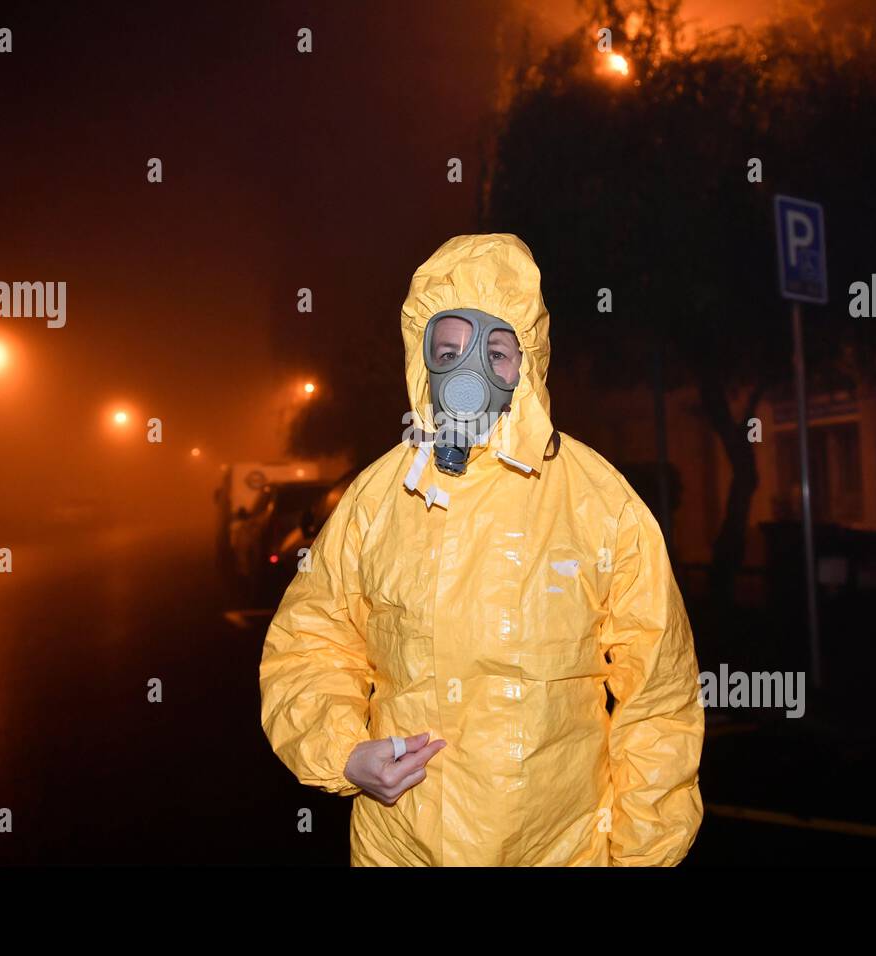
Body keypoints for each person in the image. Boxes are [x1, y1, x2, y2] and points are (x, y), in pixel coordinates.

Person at [259, 233, 704, 866]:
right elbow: (309, 643)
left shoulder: (600, 502)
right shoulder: (377, 501)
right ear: (423, 361)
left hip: (561, 852)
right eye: (450, 349)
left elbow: (659, 694)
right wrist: (344, 754)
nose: (471, 372)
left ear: (528, 364)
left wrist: (639, 856)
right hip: (404, 847)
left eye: (496, 351)